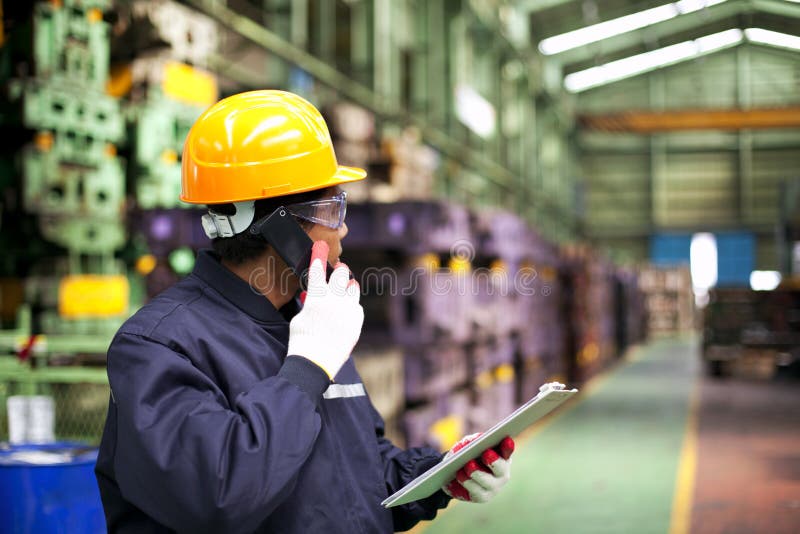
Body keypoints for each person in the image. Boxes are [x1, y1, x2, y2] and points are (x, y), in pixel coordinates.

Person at [95, 90, 514, 533]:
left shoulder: (312, 320)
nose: (345, 227)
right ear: (281, 227)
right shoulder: (160, 347)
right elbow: (220, 496)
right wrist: (307, 367)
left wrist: (442, 475)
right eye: (334, 209)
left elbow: (359, 476)